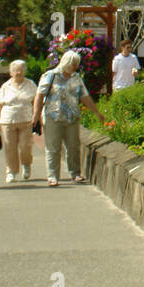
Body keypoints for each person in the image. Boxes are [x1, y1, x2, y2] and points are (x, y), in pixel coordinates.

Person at [33, 50, 107, 187]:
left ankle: (75, 173)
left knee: (73, 146)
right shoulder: (50, 76)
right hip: (52, 116)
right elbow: (39, 95)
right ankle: (53, 176)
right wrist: (36, 115)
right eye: (73, 64)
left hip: (72, 117)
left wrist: (97, 112)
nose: (75, 67)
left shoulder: (76, 78)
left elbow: (84, 96)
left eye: (76, 64)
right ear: (66, 63)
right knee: (53, 147)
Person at [0, 59, 36, 183]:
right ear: (11, 72)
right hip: (7, 120)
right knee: (9, 147)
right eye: (16, 70)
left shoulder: (30, 84)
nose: (19, 73)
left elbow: (36, 101)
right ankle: (11, 172)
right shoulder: (6, 86)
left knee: (25, 146)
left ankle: (26, 164)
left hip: (26, 120)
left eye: (21, 70)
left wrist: (38, 116)